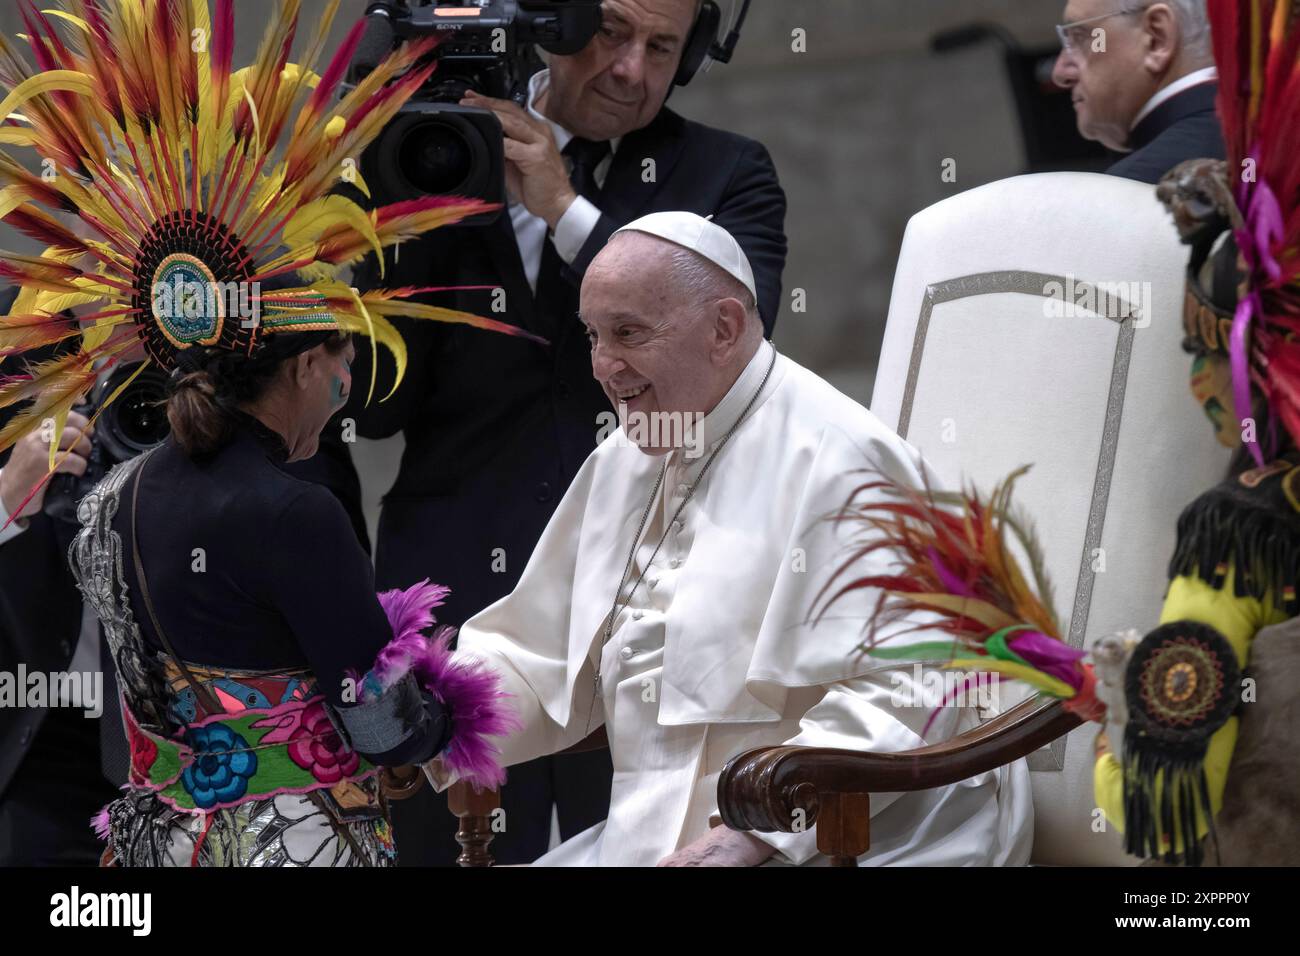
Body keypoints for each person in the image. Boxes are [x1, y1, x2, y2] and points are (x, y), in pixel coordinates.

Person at [0, 0, 522, 866]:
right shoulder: (291, 509)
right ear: (310, 364)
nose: (349, 383)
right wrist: (450, 712)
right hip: (278, 839)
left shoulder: (115, 501)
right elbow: (375, 715)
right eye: (342, 358)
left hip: (155, 837)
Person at [425, 212, 1033, 866]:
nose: (604, 367)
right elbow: (538, 653)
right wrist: (434, 711)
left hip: (851, 834)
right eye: (593, 336)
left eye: (628, 333)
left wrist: (758, 831)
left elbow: (914, 680)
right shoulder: (624, 456)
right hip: (657, 834)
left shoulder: (842, 456)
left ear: (724, 329)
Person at [346, 0, 788, 865]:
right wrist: (403, 216)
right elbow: (373, 407)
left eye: (662, 47)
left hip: (658, 613)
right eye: (611, 33)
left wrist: (567, 212)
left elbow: (736, 361)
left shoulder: (730, 172)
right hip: (460, 606)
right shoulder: (425, 156)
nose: (630, 68)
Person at [1051, 0, 1224, 183]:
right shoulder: (1250, 146)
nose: (1059, 73)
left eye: (1080, 37)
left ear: (1157, 38)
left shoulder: (1131, 188)